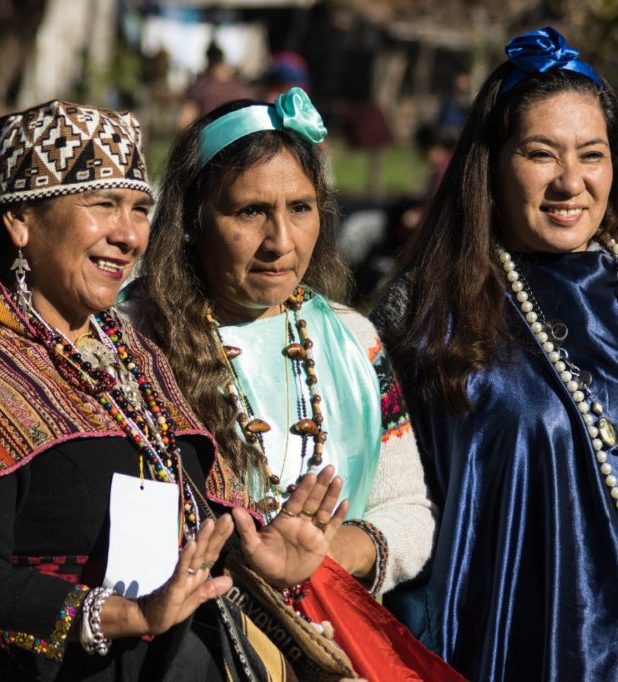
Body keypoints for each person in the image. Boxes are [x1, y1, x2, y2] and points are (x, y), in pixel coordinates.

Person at [0, 98, 348, 680]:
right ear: (21, 222)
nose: (129, 235)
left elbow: (186, 534)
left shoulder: (129, 353)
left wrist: (257, 555)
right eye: (103, 204)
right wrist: (117, 615)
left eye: (139, 208)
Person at [370, 27, 618, 681]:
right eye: (542, 154)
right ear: (491, 165)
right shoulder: (430, 321)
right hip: (517, 649)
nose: (571, 181)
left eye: (592, 155)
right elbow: (400, 511)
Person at [123, 88, 462, 681]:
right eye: (251, 212)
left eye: (300, 209)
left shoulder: (354, 343)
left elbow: (409, 509)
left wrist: (325, 553)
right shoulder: (135, 341)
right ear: (192, 220)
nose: (281, 241)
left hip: (334, 648)